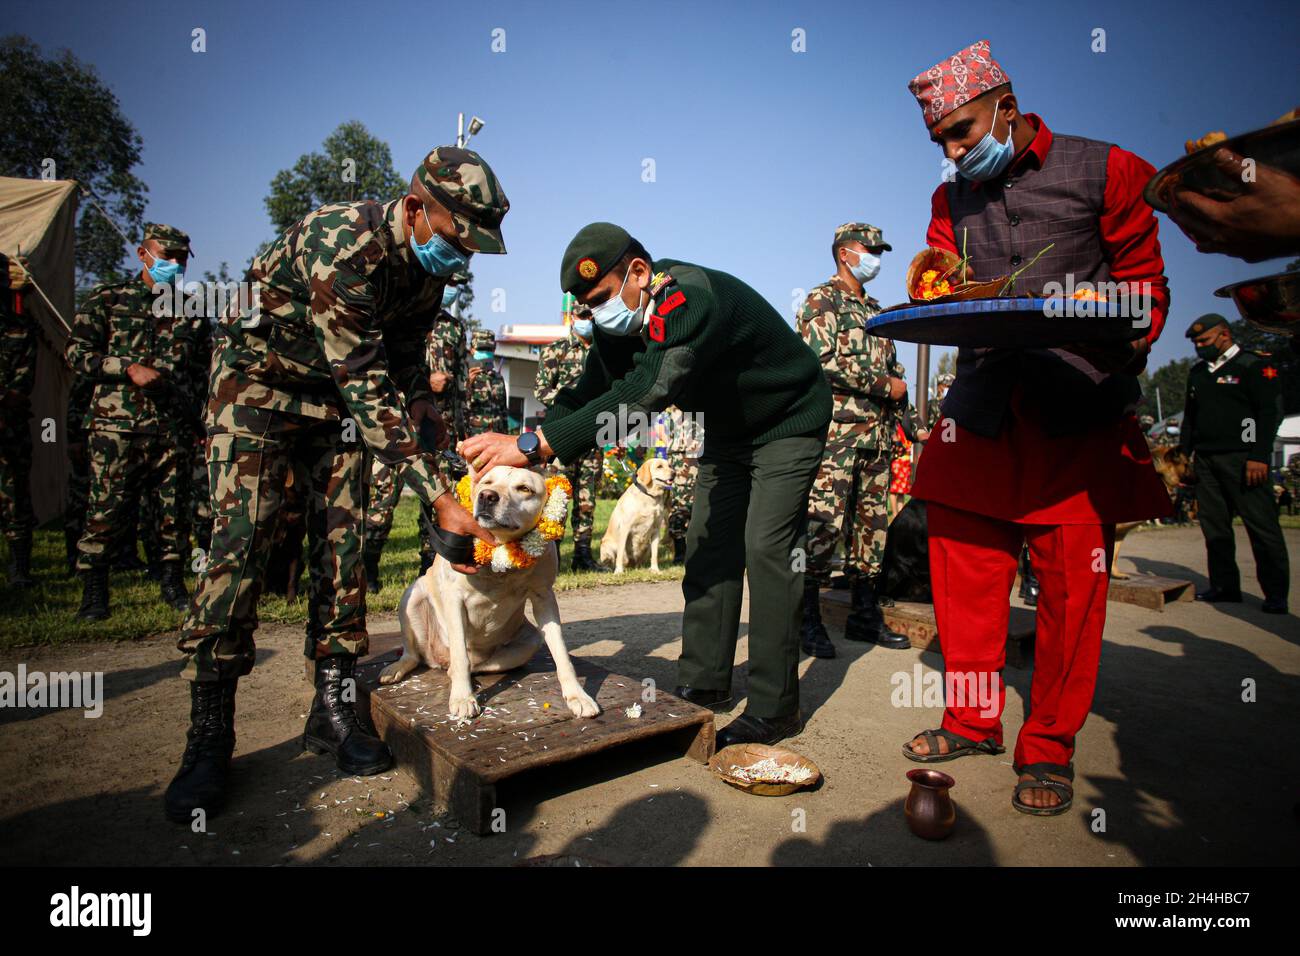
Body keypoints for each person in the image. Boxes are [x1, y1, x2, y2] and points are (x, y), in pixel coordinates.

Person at [163, 147, 505, 823]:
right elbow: (365, 381)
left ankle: (335, 707)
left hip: (337, 406)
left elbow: (401, 361)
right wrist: (440, 498)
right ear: (416, 210)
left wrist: (423, 401)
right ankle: (209, 731)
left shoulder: (425, 275)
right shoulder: (341, 241)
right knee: (244, 539)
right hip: (258, 387)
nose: (463, 258)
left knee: (343, 547)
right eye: (458, 237)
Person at [900, 41, 1174, 816]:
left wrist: (1113, 328)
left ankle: (1049, 743)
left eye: (961, 131)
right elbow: (944, 281)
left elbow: (1146, 288)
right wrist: (937, 285)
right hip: (983, 408)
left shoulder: (1111, 169)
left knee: (1070, 588)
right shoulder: (950, 200)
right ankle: (973, 719)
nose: (954, 153)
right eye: (941, 142)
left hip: (1077, 411)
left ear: (1006, 109)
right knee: (964, 571)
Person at [459, 222, 832, 748]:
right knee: (708, 545)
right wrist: (522, 445)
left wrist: (535, 447)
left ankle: (775, 707)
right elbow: (589, 390)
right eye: (586, 306)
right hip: (728, 432)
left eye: (601, 298)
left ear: (638, 272)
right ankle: (704, 685)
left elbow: (650, 389)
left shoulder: (687, 298)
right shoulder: (618, 325)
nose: (596, 314)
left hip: (788, 419)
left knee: (767, 548)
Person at [67, 223, 198, 618]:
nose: (173, 263)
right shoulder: (108, 299)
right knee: (105, 509)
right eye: (167, 255)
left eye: (180, 258)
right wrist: (125, 367)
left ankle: (173, 585)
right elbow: (76, 355)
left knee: (173, 512)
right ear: (144, 254)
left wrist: (200, 425)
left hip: (171, 428)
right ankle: (94, 591)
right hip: (115, 426)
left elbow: (203, 372)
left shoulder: (190, 310)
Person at [797, 222, 912, 658]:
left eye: (881, 249)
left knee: (873, 532)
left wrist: (916, 424)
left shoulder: (877, 310)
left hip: (878, 439)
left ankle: (864, 616)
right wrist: (883, 386)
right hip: (837, 437)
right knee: (824, 528)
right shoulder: (820, 300)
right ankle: (806, 618)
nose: (877, 257)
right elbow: (819, 362)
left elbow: (897, 376)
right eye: (871, 249)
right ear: (845, 253)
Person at [1180, 313, 1288, 613]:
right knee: (1215, 527)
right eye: (1196, 342)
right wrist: (1184, 456)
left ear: (1224, 335)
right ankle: (1224, 586)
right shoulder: (1199, 373)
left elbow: (1268, 413)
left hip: (1244, 460)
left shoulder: (1253, 365)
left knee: (1262, 527)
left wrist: (1258, 455)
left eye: (1204, 340)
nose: (1199, 346)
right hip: (1206, 460)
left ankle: (1276, 593)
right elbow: (1190, 419)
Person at [534, 309, 610, 572]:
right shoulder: (557, 350)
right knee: (557, 498)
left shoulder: (603, 353)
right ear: (571, 316)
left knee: (586, 500)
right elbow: (541, 390)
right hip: (561, 437)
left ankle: (583, 557)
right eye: (582, 315)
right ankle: (551, 559)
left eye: (591, 316)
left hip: (593, 438)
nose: (587, 320)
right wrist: (575, 404)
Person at [0, 252, 36, 588]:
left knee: (15, 498)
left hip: (9, 427)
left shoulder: (19, 329)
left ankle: (19, 569)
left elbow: (22, 382)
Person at [665, 404, 703, 565]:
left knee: (703, 504)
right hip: (682, 454)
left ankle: (698, 550)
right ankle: (680, 553)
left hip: (706, 450)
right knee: (681, 504)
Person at [464, 329, 509, 436]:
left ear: (494, 350)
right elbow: (459, 410)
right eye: (481, 349)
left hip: (496, 438)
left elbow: (503, 412)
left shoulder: (498, 378)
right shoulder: (464, 376)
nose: (485, 353)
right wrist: (468, 384)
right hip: (475, 437)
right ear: (472, 350)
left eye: (488, 349)